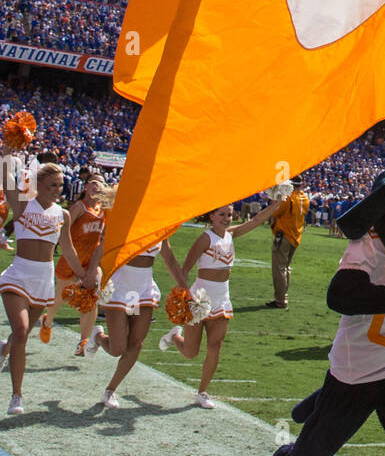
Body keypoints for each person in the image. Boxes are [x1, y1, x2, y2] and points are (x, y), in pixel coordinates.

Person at [159, 199, 278, 407]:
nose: (226, 218)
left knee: (216, 345)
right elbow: (185, 269)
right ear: (211, 216)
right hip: (200, 297)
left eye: (229, 215)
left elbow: (258, 219)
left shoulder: (231, 234)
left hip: (222, 297)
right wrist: (185, 297)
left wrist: (277, 202)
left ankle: (202, 392)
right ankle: (175, 336)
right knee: (190, 352)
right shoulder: (205, 238)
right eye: (221, 214)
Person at [1, 163, 96, 414]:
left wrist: (84, 275)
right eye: (52, 185)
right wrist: (6, 156)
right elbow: (8, 179)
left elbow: (68, 249)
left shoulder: (62, 215)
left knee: (21, 336)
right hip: (18, 276)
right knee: (20, 332)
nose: (58, 189)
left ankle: (4, 349)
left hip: (43, 281)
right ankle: (17, 396)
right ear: (39, 185)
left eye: (60, 185)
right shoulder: (23, 205)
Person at [88, 231, 184, 408]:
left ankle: (110, 390)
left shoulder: (161, 225)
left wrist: (184, 288)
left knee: (136, 344)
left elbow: (169, 259)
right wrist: (92, 273)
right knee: (117, 349)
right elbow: (101, 248)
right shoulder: (126, 217)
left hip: (142, 290)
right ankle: (98, 337)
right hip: (120, 286)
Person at [39, 173, 109, 356]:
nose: (97, 186)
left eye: (100, 184)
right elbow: (63, 232)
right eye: (93, 183)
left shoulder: (104, 210)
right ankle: (48, 320)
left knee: (91, 300)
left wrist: (94, 267)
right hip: (71, 260)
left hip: (90, 262)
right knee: (60, 299)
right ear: (85, 187)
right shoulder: (79, 207)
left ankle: (83, 342)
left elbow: (103, 239)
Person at [266, 175, 311, 310]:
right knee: (286, 268)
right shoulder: (305, 198)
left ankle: (280, 300)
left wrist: (275, 196)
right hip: (296, 236)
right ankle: (283, 297)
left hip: (284, 234)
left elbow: (275, 211)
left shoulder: (289, 198)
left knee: (279, 268)